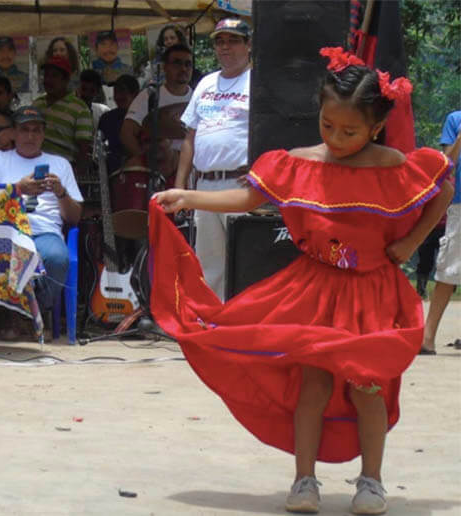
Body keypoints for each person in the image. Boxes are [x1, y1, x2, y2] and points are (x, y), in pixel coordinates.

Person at [151, 47, 453, 515]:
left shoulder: (393, 163)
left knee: (366, 386)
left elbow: (443, 187)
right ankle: (304, 481)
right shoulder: (299, 162)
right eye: (327, 125)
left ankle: (371, 482)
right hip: (316, 290)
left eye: (350, 131)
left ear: (375, 128)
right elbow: (249, 198)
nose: (335, 137)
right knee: (312, 385)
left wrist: (412, 243)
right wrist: (187, 196)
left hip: (371, 292)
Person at [0, 106, 83, 320]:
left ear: (43, 135)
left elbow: (74, 217)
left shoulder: (60, 164)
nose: (30, 136)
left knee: (56, 258)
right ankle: (11, 315)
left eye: (36, 130)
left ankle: (29, 314)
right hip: (5, 230)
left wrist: (61, 192)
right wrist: (18, 189)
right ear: (14, 133)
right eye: (24, 130)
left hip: (43, 232)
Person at [173, 18, 252, 299]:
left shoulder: (258, 82)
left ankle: (242, 327)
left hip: (242, 185)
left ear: (248, 45)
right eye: (220, 41)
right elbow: (189, 140)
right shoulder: (205, 83)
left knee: (245, 260)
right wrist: (181, 188)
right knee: (208, 264)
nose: (225, 47)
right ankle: (212, 327)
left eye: (233, 40)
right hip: (205, 186)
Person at [421, 110, 461, 354]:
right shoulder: (455, 119)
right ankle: (427, 338)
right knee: (448, 269)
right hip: (461, 204)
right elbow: (447, 163)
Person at [121, 43, 193, 159]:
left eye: (188, 64)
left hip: (195, 169)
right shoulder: (150, 96)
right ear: (165, 67)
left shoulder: (200, 98)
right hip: (161, 171)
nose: (183, 68)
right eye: (177, 63)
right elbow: (127, 133)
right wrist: (145, 163)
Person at [33, 56, 93, 177]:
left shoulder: (80, 109)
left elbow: (84, 149)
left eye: (54, 76)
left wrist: (77, 176)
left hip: (63, 171)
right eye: (46, 76)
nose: (48, 80)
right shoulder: (37, 104)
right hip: (35, 168)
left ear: (66, 80)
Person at [98, 74, 139, 175]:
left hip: (138, 170)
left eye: (122, 91)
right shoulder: (107, 118)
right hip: (112, 173)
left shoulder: (145, 118)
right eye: (116, 92)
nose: (117, 96)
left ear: (135, 94)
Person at [77, 69, 110, 134]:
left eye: (92, 91)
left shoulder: (103, 111)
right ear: (78, 88)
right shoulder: (68, 110)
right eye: (84, 89)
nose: (87, 94)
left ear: (97, 93)